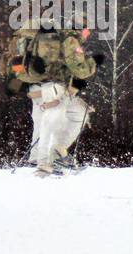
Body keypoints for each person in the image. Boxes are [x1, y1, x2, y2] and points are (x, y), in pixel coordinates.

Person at [8, 21, 100, 174]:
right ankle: (45, 162)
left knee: (53, 120)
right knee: (51, 122)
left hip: (40, 85)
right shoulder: (69, 40)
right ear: (82, 29)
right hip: (50, 86)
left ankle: (49, 157)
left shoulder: (52, 38)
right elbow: (80, 70)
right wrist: (93, 63)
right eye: (87, 30)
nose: (88, 34)